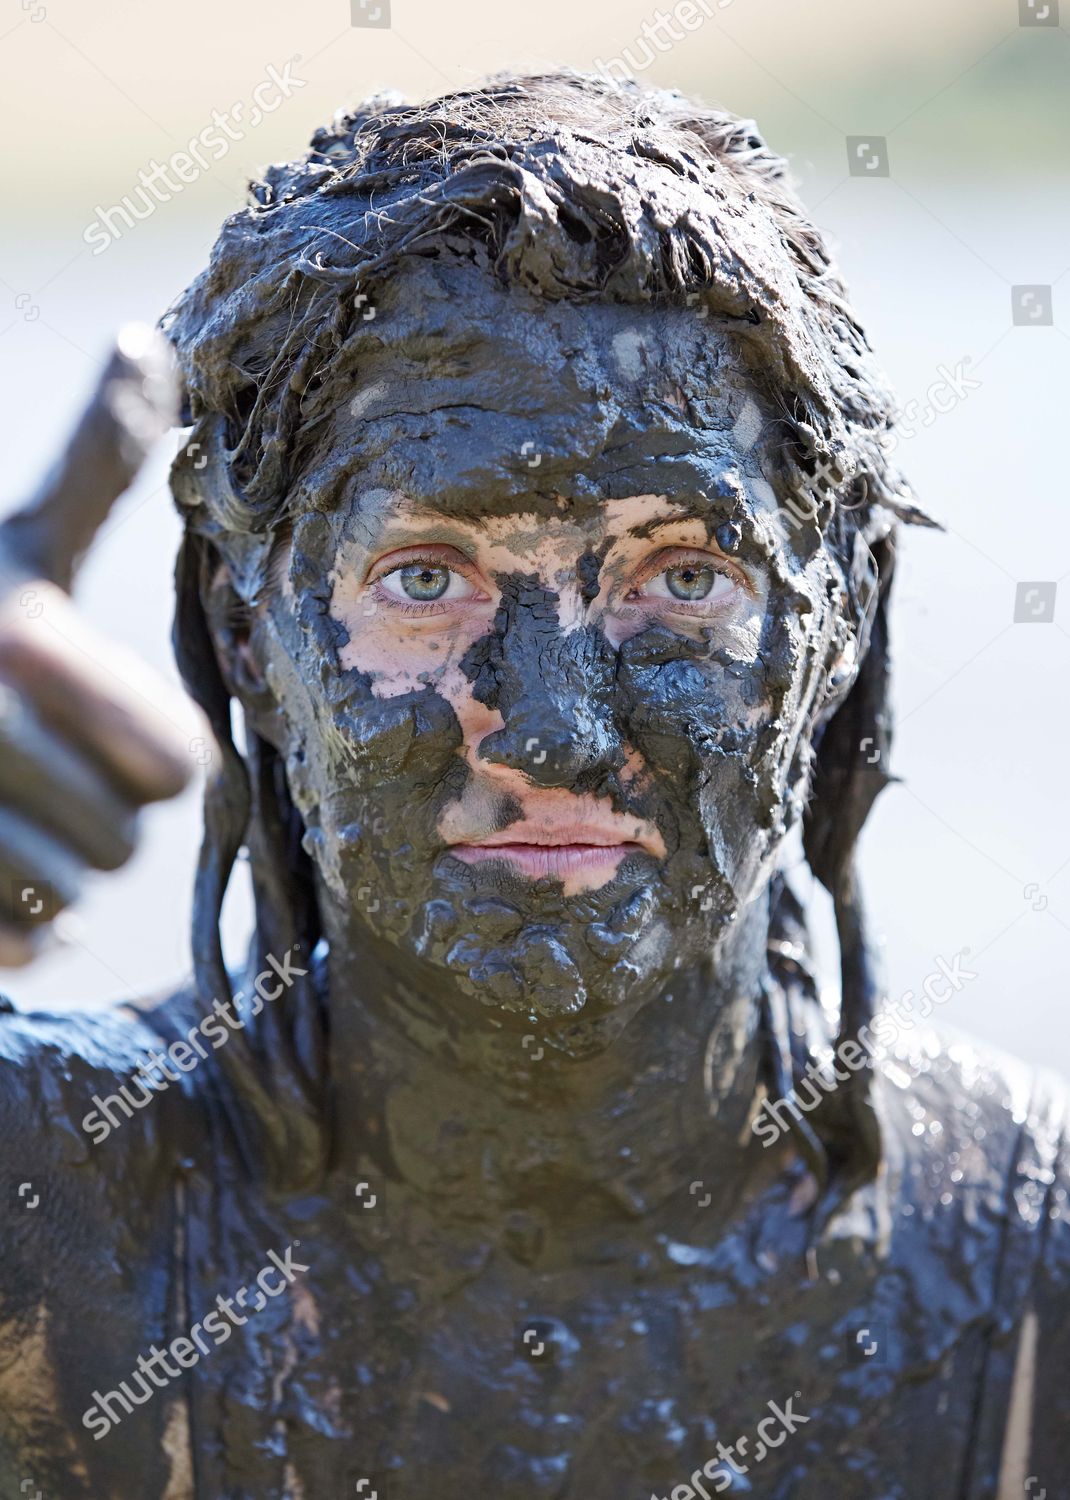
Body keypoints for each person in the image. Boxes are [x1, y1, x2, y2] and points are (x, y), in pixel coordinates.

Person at [0, 72, 1065, 1500]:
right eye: (426, 579)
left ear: (837, 629)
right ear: (250, 635)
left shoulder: (1032, 1254)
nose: (553, 732)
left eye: (678, 578)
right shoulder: (48, 1208)